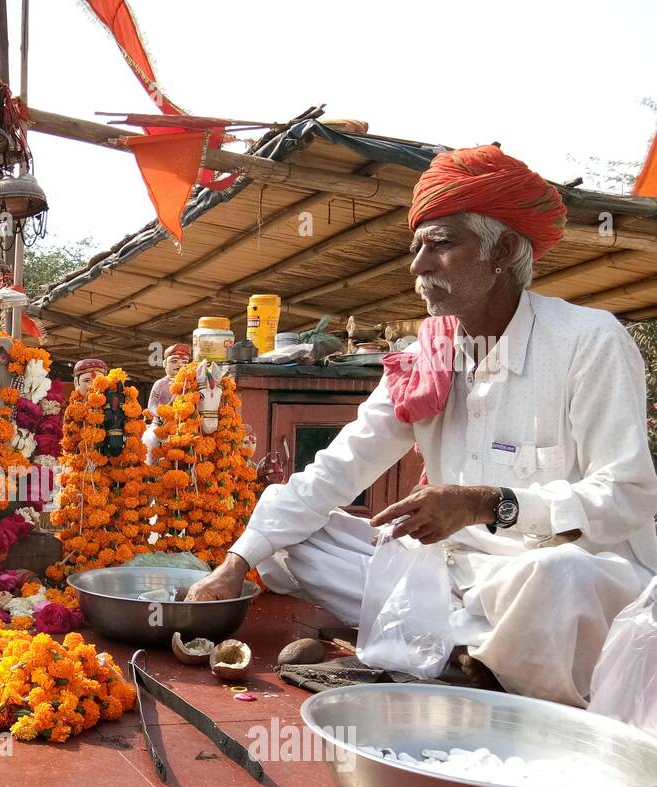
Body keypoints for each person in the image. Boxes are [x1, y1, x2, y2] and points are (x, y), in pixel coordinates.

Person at [187, 145, 657, 707]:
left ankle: (460, 655)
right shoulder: (425, 358)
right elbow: (337, 469)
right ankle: (463, 652)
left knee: (561, 576)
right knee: (293, 539)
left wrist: (489, 503)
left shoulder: (589, 341)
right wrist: (234, 564)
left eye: (441, 244)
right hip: (454, 578)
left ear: (503, 248)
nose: (418, 266)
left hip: (548, 581)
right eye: (416, 249)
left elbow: (626, 497)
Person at [142, 343, 191, 457]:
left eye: (184, 363)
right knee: (150, 439)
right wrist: (161, 414)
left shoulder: (190, 384)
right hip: (160, 424)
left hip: (184, 425)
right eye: (174, 361)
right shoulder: (160, 383)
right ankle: (149, 466)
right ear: (165, 364)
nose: (180, 366)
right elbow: (152, 404)